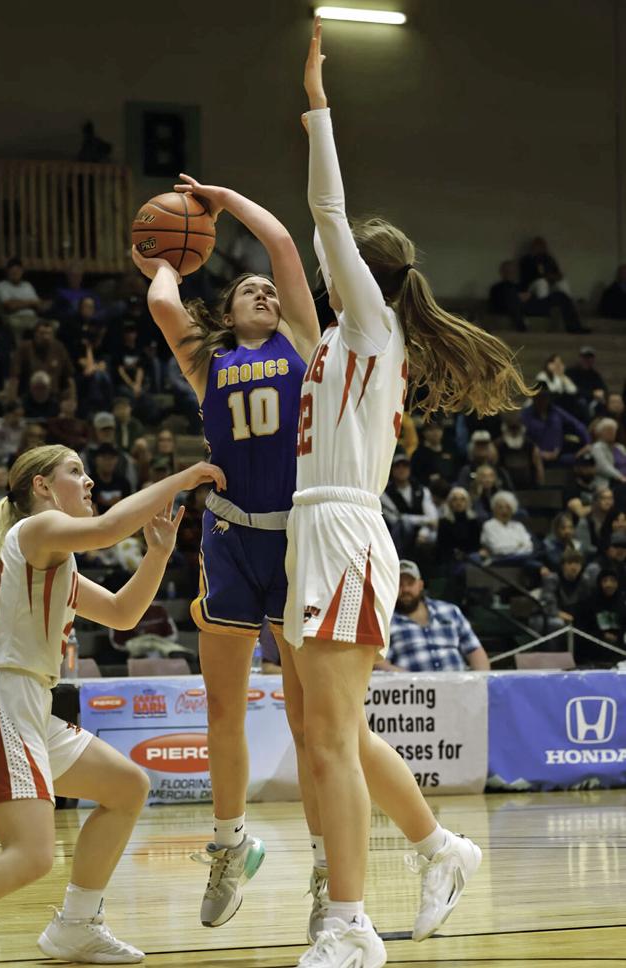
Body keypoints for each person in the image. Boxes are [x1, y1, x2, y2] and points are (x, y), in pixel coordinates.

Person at [282, 20, 529, 965]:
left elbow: (328, 216)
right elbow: (305, 241)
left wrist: (316, 106)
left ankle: (350, 926)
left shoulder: (375, 326)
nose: (322, 261)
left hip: (345, 534)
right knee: (315, 734)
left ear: (365, 278)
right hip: (316, 533)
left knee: (334, 742)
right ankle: (439, 847)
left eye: (337, 258)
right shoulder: (339, 345)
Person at [0, 444, 225, 968]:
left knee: (127, 787)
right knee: (32, 854)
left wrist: (157, 553)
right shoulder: (35, 534)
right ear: (41, 486)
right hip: (3, 698)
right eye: (75, 472)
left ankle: (77, 925)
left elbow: (124, 613)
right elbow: (109, 528)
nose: (87, 482)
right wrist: (183, 477)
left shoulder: (51, 557)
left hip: (30, 702)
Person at [132, 161, 320, 930]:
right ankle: (228, 844)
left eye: (270, 293)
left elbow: (279, 242)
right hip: (231, 536)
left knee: (311, 723)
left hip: (299, 542)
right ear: (228, 310)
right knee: (222, 706)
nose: (267, 294)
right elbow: (161, 301)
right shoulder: (208, 361)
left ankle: (324, 865)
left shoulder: (304, 341)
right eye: (251, 291)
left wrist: (218, 201)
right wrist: (163, 259)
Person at [376, 561, 490, 672]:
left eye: (410, 583)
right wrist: (408, 680)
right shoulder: (385, 622)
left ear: (420, 585)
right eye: (399, 584)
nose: (405, 589)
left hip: (457, 686)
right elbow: (380, 663)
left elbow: (475, 651)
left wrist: (480, 683)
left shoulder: (450, 611)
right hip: (413, 689)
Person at [0, 257, 46, 339]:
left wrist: (18, 302)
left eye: (18, 270)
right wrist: (30, 303)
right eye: (12, 270)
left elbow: (39, 305)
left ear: (22, 271)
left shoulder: (28, 285)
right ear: (7, 272)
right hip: (13, 318)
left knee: (51, 326)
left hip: (33, 318)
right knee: (18, 325)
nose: (15, 272)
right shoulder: (2, 286)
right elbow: (10, 306)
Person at [479, 491, 535, 563]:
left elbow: (529, 547)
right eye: (500, 507)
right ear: (494, 509)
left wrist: (510, 547)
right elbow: (497, 549)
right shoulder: (489, 526)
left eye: (508, 507)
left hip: (521, 559)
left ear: (513, 510)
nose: (504, 511)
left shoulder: (518, 526)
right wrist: (519, 545)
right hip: (498, 562)